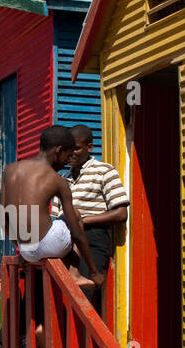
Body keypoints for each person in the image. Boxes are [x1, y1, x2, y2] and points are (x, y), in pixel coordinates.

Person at [1, 125, 100, 288]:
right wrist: (93, 271)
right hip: (51, 245)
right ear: (58, 150)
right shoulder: (57, 180)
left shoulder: (9, 170)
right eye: (67, 157)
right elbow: (76, 232)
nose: (67, 163)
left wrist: (21, 249)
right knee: (74, 213)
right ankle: (75, 274)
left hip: (26, 249)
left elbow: (5, 220)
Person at [54, 124, 129, 304]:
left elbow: (120, 213)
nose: (71, 153)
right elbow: (56, 216)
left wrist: (82, 221)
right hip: (66, 240)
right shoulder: (63, 180)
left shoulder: (104, 171)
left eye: (77, 148)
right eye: (68, 148)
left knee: (83, 298)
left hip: (92, 238)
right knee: (57, 294)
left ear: (90, 147)